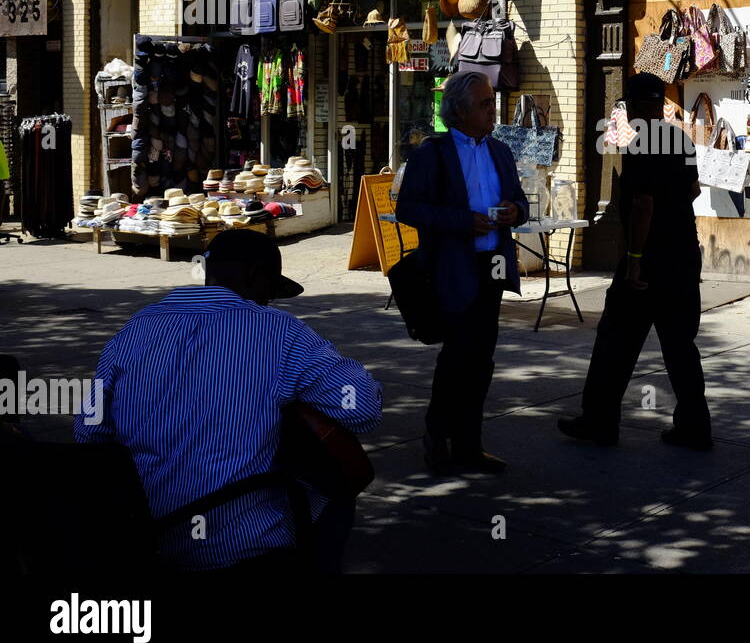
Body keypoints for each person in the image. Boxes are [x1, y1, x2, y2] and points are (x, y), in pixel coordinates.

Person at [74, 229, 382, 572]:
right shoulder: (279, 331)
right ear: (255, 276)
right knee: (338, 485)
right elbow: (363, 409)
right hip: (237, 544)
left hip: (143, 531)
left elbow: (89, 433)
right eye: (271, 293)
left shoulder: (136, 328)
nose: (269, 303)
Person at [559, 72, 712, 450]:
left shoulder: (642, 145)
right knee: (680, 346)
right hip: (682, 255)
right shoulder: (679, 138)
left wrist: (635, 260)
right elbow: (692, 189)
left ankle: (599, 421)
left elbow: (643, 205)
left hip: (649, 262)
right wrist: (673, 217)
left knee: (615, 342)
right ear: (660, 103)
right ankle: (695, 427)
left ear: (635, 106)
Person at [395, 70, 528, 475]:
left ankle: (469, 444)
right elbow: (409, 209)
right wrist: (460, 222)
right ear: (460, 110)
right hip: (452, 268)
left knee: (481, 359)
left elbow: (521, 202)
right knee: (457, 358)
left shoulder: (500, 151)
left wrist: (514, 212)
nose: (493, 110)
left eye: (492, 102)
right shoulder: (432, 154)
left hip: (493, 266)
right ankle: (438, 436)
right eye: (486, 103)